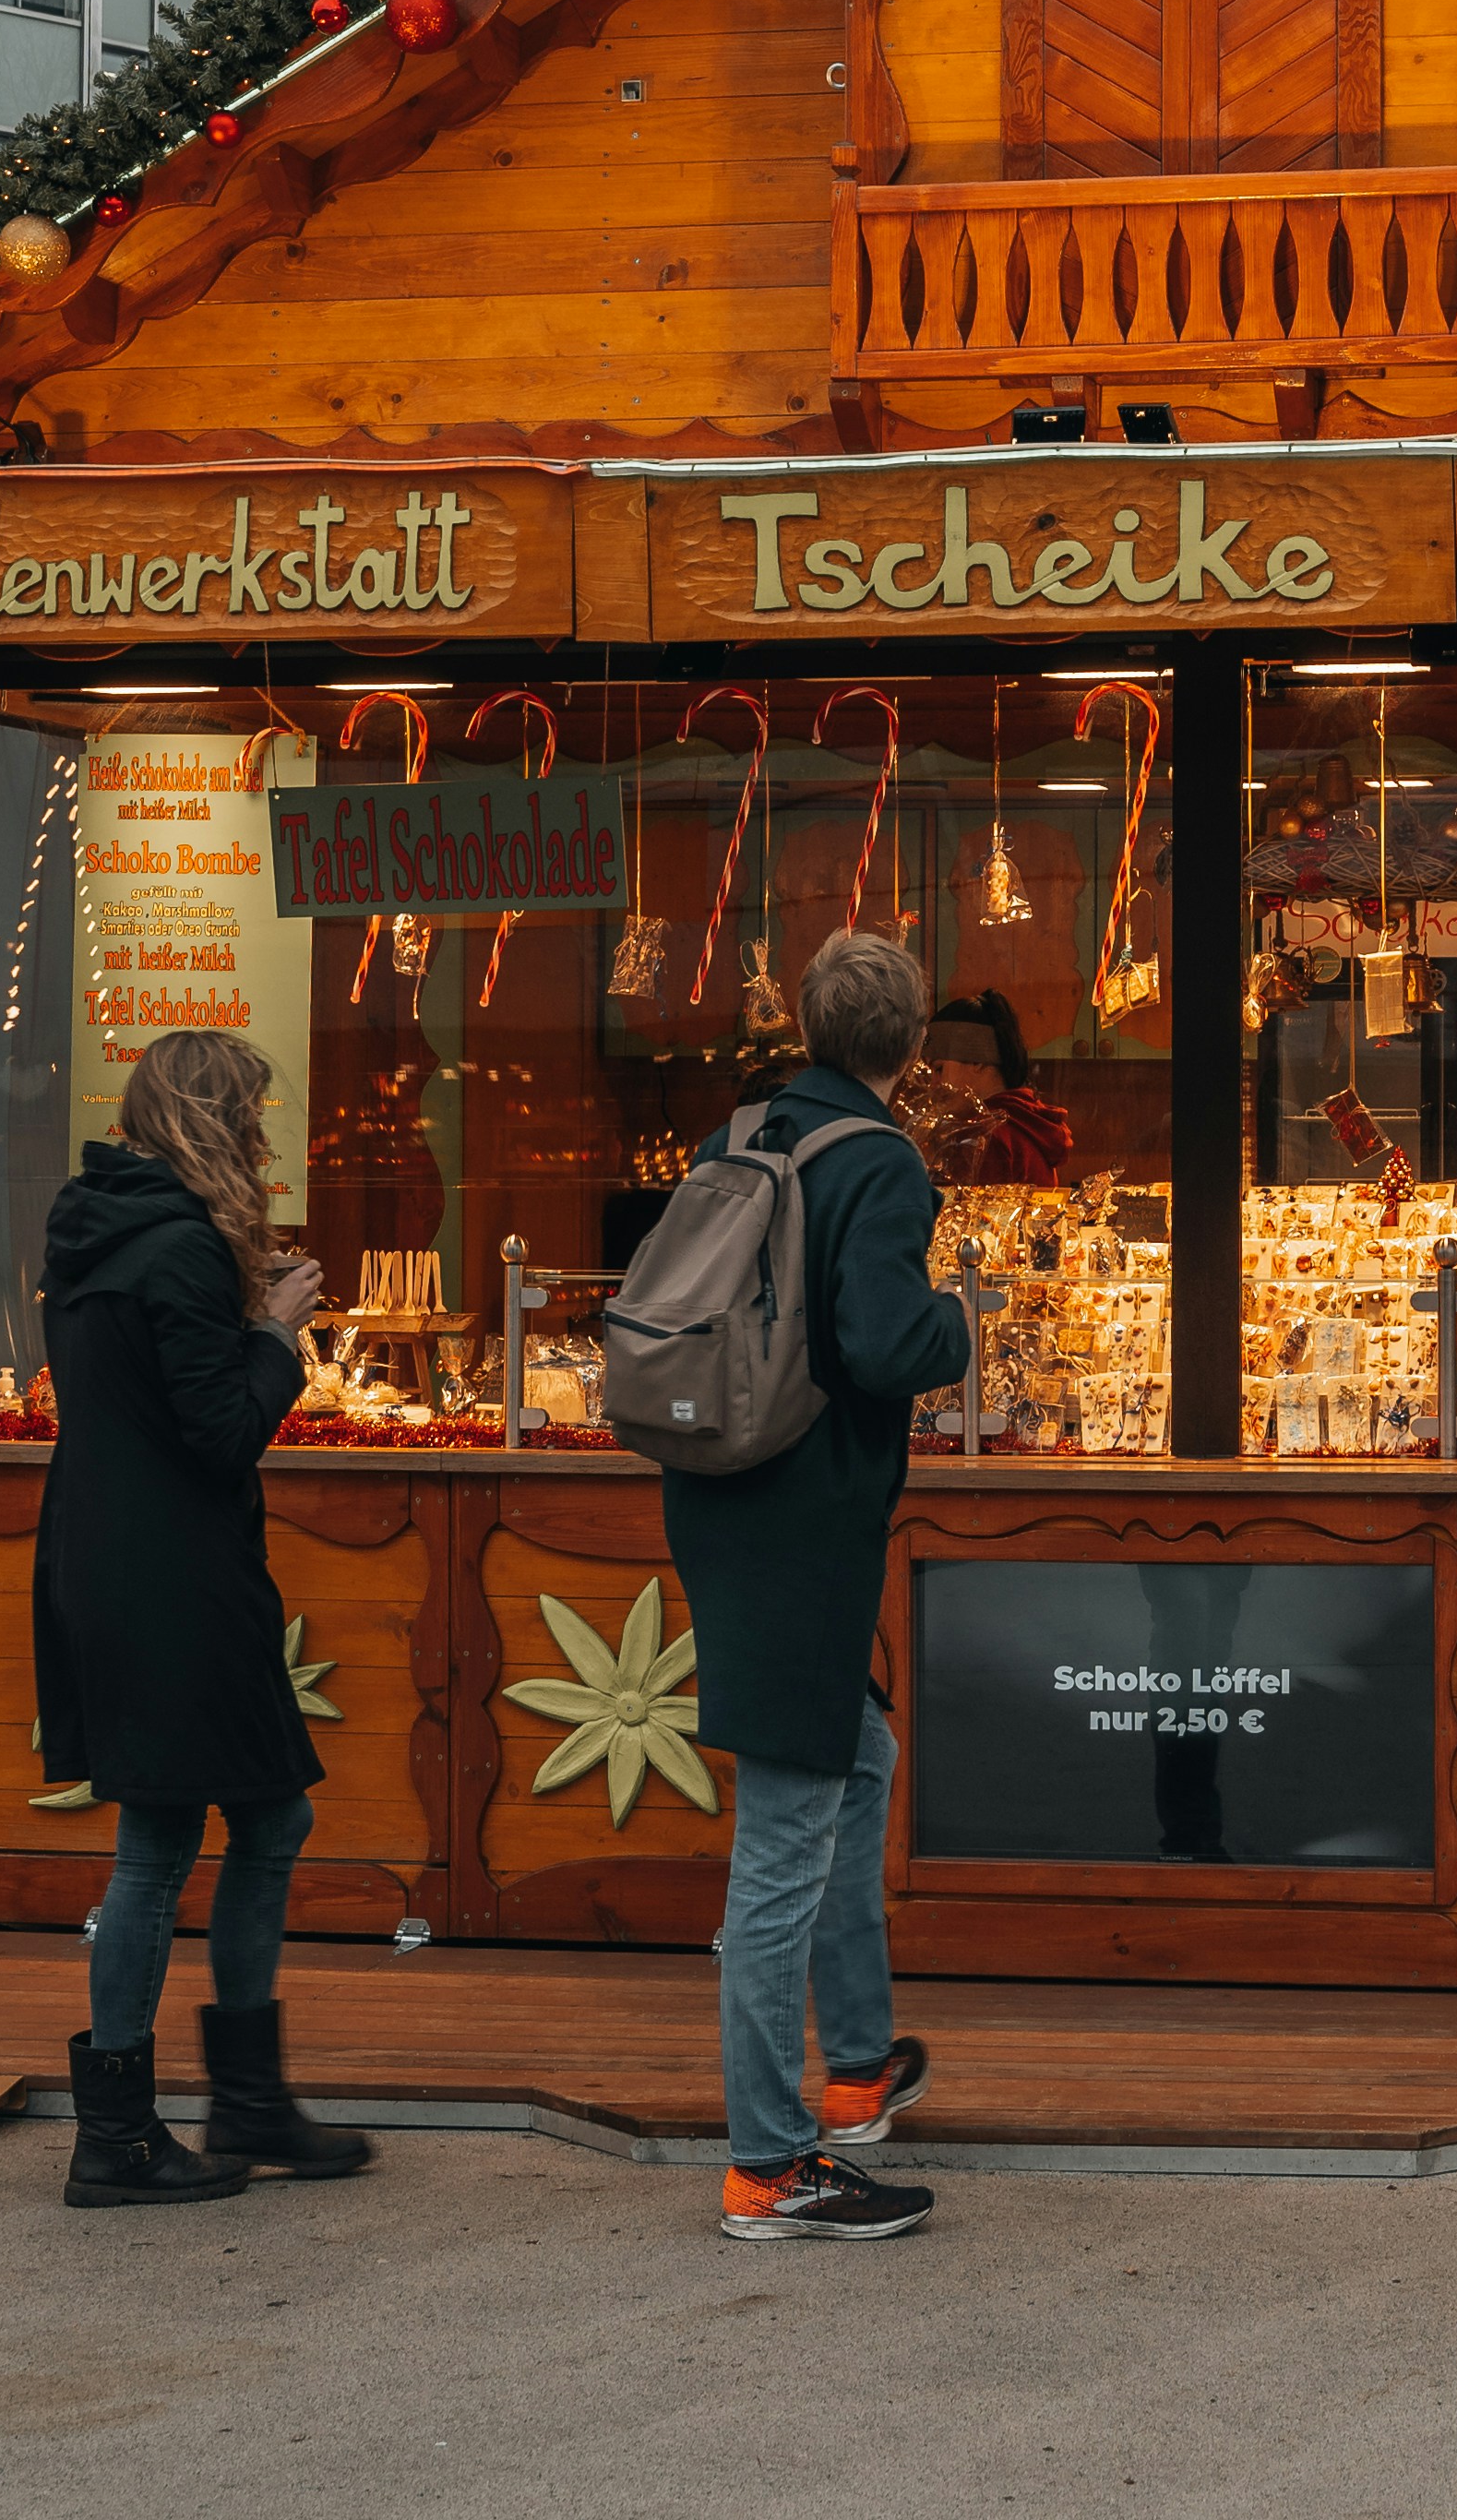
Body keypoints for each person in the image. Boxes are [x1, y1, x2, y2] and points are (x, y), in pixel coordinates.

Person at [665, 928, 974, 2245]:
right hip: (807, 1516)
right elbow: (886, 1343)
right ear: (909, 1046)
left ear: (806, 1027)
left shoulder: (748, 1133)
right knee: (784, 1843)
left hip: (724, 1493)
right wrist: (965, 1315)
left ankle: (855, 2069)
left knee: (859, 1755)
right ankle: (768, 2165)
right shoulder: (881, 1161)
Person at [32, 1027, 376, 2207]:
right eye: (252, 1117)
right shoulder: (176, 1244)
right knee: (162, 1846)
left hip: (125, 1558)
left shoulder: (98, 1225)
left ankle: (241, 2099)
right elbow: (221, 1427)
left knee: (268, 1811)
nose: (264, 1139)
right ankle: (120, 2136)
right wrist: (278, 1329)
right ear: (216, 1121)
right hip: (168, 1575)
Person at [922, 988, 1076, 1184]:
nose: (933, 1085)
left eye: (939, 1069)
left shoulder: (987, 1137)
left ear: (977, 1061)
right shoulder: (1027, 1121)